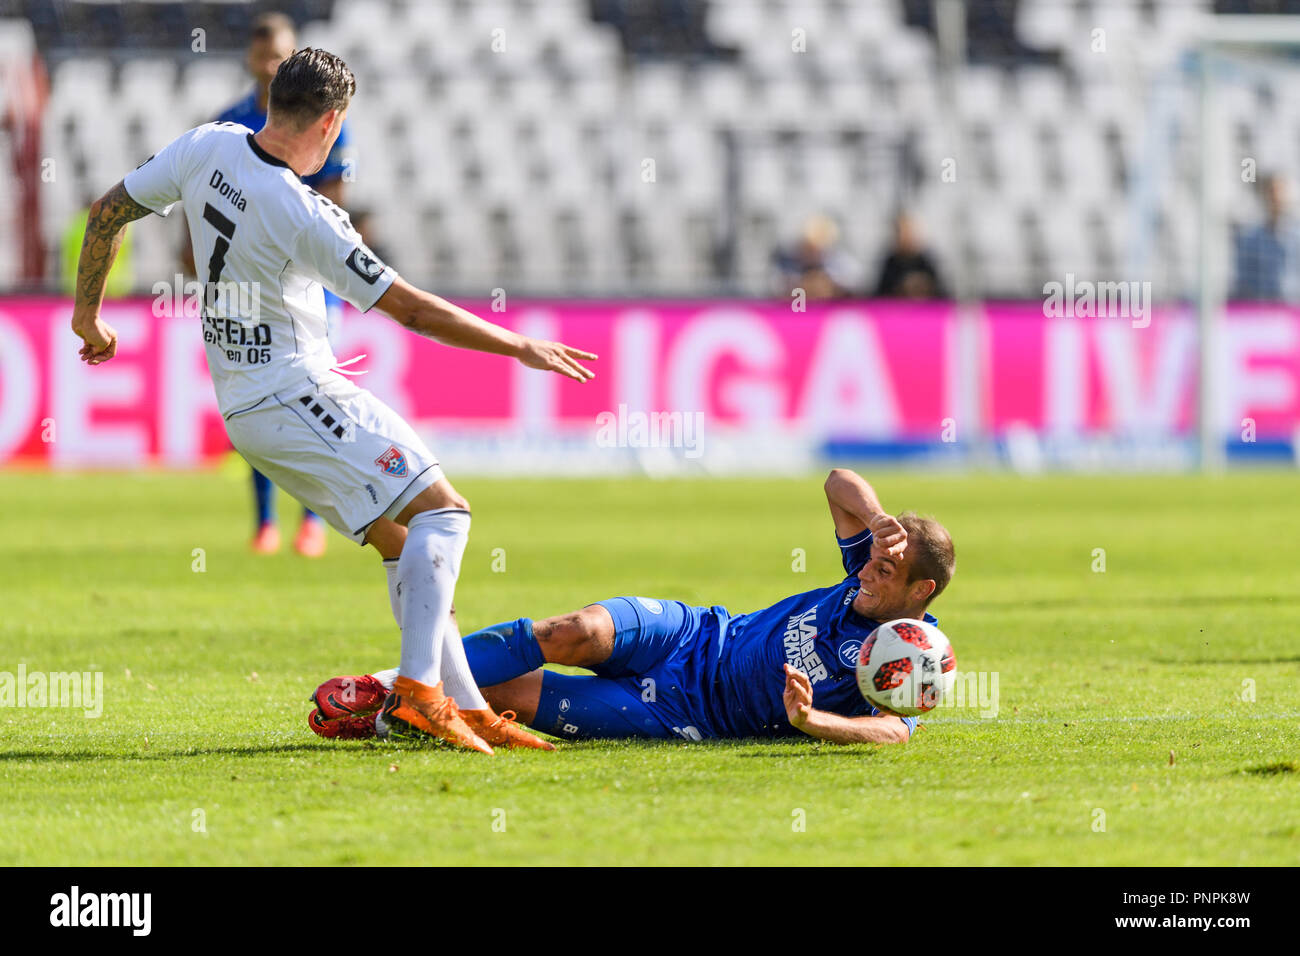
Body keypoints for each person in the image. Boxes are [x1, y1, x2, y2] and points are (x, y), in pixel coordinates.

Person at [69, 48, 597, 755]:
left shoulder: (206, 145)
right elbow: (411, 311)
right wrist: (519, 346)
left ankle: (466, 707)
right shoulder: (305, 212)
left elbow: (107, 211)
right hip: (295, 393)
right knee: (445, 512)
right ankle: (416, 693)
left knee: (405, 545)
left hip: (246, 409)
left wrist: (86, 316)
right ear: (331, 121)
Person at [309, 468, 955, 746]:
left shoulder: (910, 659)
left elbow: (894, 731)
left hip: (680, 712)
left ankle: (381, 715)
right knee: (574, 630)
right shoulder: (864, 573)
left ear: (920, 593)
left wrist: (816, 723)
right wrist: (876, 519)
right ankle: (387, 685)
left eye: (888, 568)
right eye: (872, 556)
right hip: (695, 635)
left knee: (511, 700)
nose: (869, 569)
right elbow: (834, 482)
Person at [215, 12, 356, 557]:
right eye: (264, 55)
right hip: (246, 281)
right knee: (254, 395)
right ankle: (265, 522)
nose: (271, 64)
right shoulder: (230, 121)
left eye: (281, 55)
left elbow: (335, 203)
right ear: (251, 59)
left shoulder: (325, 118)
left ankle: (313, 520)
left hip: (306, 283)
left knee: (314, 394)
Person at [1232, 173, 1300, 302]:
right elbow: (1244, 282)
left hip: (1294, 310)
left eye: (1281, 193)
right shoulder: (1251, 239)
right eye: (1272, 193)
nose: (1277, 199)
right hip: (1263, 311)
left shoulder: (1297, 236)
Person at [873, 212, 948, 299]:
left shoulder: (926, 261)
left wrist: (924, 286)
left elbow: (943, 294)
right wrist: (901, 288)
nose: (906, 236)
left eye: (909, 231)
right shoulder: (890, 262)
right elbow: (879, 297)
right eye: (902, 232)